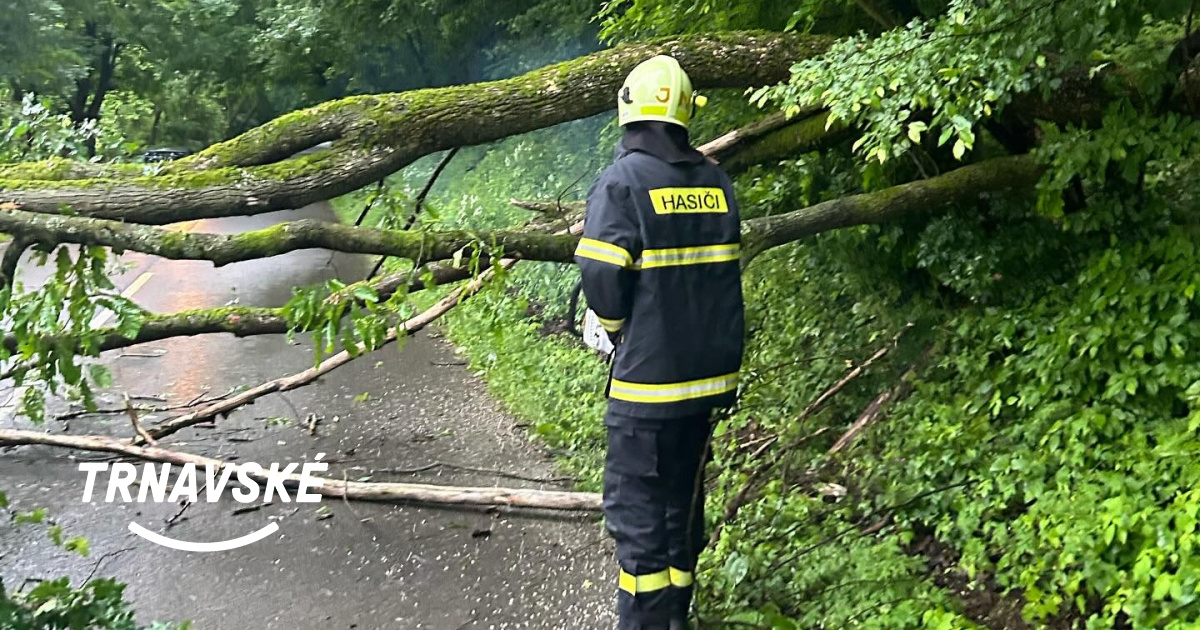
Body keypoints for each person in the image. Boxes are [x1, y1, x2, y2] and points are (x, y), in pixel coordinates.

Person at [574, 55, 745, 630]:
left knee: (640, 518)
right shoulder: (716, 182)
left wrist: (615, 330)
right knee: (681, 510)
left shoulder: (623, 183)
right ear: (684, 114)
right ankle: (676, 618)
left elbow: (602, 276)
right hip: (707, 386)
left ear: (629, 110)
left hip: (649, 390)